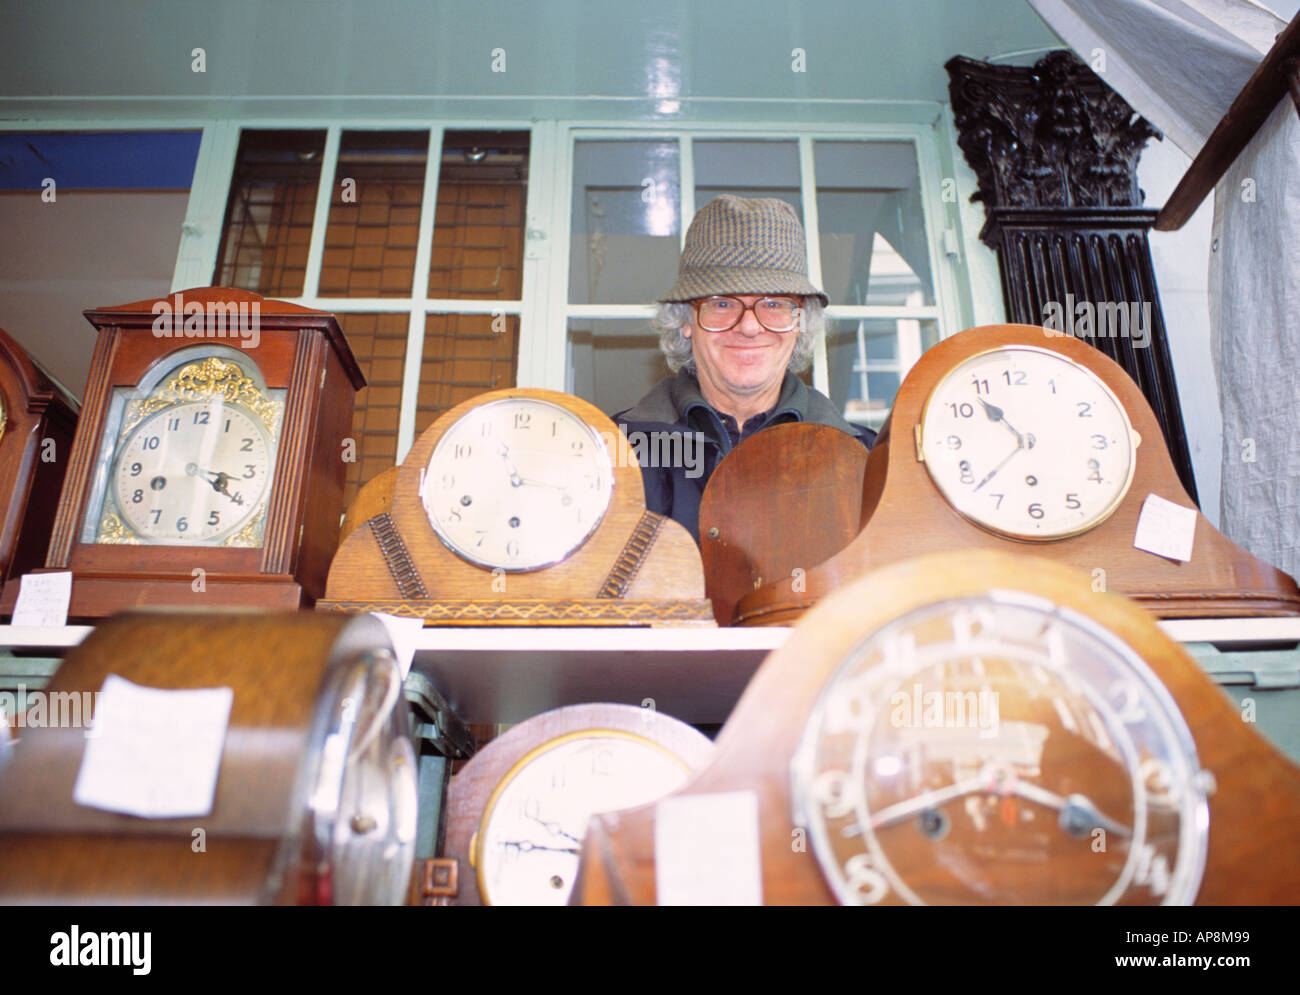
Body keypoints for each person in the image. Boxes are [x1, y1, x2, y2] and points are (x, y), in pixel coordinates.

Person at [614, 194, 875, 542]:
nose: (750, 327)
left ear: (799, 323)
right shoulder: (613, 451)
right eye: (721, 303)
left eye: (773, 303)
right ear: (685, 321)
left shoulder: (869, 462)